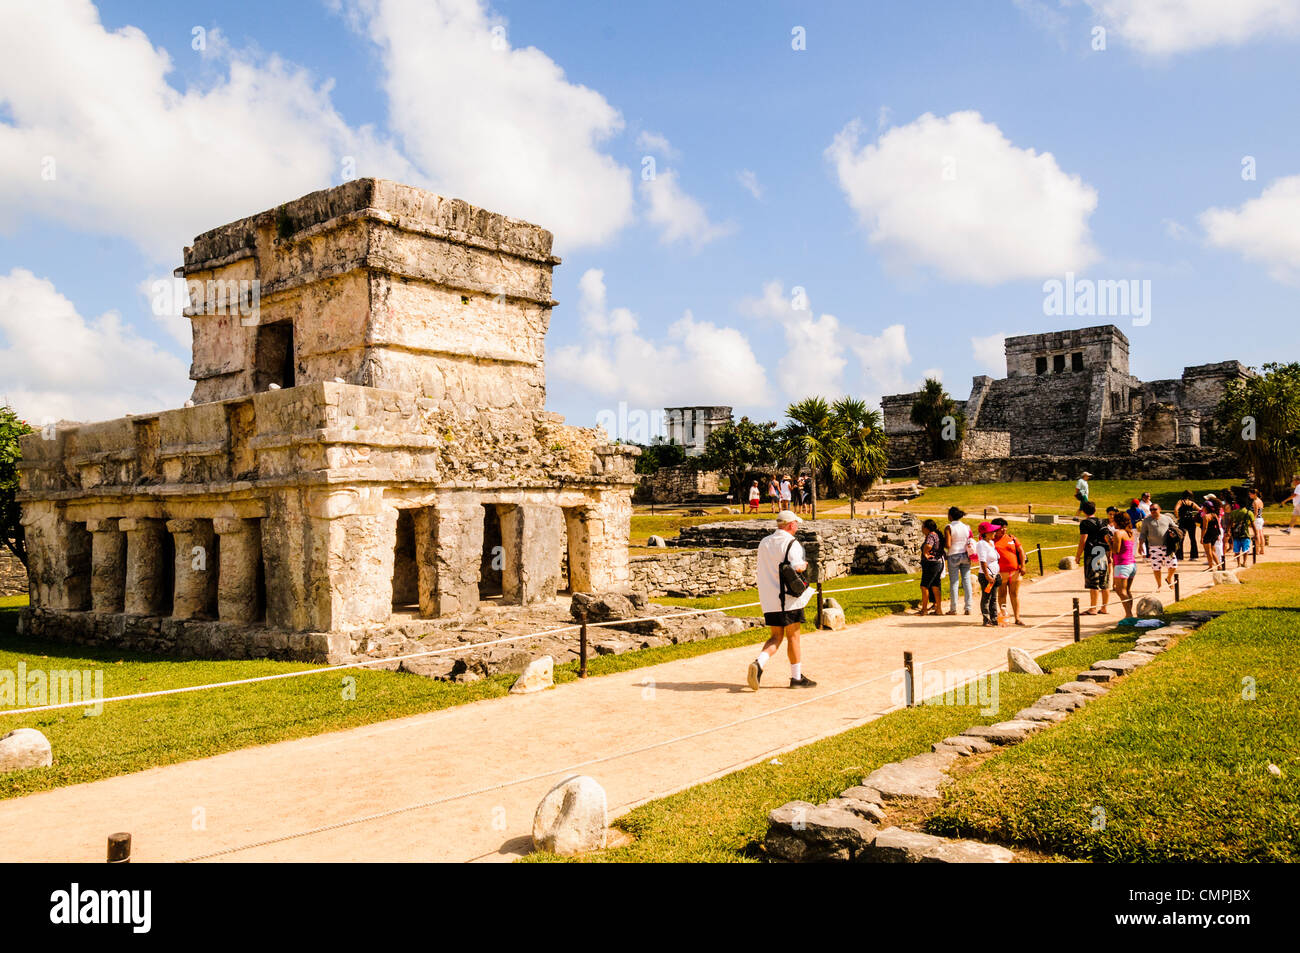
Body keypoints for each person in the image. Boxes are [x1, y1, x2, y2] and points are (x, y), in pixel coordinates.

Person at [747, 510, 817, 690]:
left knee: (776, 636)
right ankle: (796, 678)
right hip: (788, 598)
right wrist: (803, 566)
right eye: (796, 524)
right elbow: (795, 567)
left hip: (769, 598)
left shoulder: (764, 542)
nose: (797, 527)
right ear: (791, 525)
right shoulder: (791, 543)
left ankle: (759, 663)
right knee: (793, 636)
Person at [1076, 500, 1112, 615]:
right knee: (1104, 581)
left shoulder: (1085, 523)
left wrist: (1078, 556)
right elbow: (1108, 537)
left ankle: (1093, 608)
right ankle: (1104, 607)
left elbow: (1083, 540)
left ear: (1084, 512)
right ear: (1095, 510)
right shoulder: (1102, 521)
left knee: (1094, 582)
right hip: (1103, 553)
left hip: (1092, 554)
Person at [992, 517, 1027, 626]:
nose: (1004, 530)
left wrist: (1023, 566)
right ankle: (1004, 617)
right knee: (1002, 595)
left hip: (1015, 572)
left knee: (1014, 594)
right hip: (1000, 573)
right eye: (1001, 528)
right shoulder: (991, 541)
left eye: (1005, 527)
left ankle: (1017, 618)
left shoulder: (1012, 538)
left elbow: (1021, 552)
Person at [943, 506, 974, 616]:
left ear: (950, 516)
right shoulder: (966, 527)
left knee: (954, 582)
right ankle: (968, 607)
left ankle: (953, 608)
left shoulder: (949, 527)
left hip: (953, 555)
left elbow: (948, 544)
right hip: (965, 555)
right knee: (966, 581)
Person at [1139, 502, 1178, 590]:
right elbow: (1143, 534)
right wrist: (1140, 545)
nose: (1152, 511)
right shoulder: (1146, 520)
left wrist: (1173, 533)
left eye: (1155, 509)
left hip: (1168, 546)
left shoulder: (1167, 518)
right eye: (1151, 509)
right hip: (1154, 547)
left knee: (1173, 565)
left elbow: (1175, 528)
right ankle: (1159, 585)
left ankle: (1168, 578)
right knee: (1156, 567)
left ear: (1160, 509)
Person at [1110, 510, 1137, 617]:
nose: (1113, 523)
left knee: (1120, 591)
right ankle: (1129, 614)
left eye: (1114, 521)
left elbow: (1115, 550)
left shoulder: (1118, 533)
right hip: (1132, 564)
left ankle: (1129, 615)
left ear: (1118, 521)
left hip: (1122, 565)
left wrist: (1109, 541)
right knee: (1127, 591)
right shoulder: (1130, 533)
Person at [974, 522, 1002, 626]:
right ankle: (986, 618)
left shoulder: (991, 543)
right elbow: (982, 560)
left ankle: (994, 618)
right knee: (986, 597)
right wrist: (987, 575)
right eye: (992, 531)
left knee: (994, 598)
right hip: (987, 576)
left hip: (994, 574)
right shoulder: (981, 544)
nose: (995, 532)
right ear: (986, 533)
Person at [918, 519, 945, 615]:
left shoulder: (930, 535)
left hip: (931, 564)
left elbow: (929, 546)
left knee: (924, 586)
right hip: (938, 563)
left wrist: (925, 553)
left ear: (926, 528)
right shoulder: (937, 535)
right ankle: (939, 609)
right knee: (935, 586)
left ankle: (924, 610)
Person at [1175, 491, 1200, 561]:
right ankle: (1194, 556)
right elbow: (1200, 510)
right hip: (1191, 521)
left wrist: (1178, 517)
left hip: (1183, 521)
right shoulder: (1192, 503)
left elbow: (1176, 509)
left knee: (1181, 539)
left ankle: (1179, 556)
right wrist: (1195, 516)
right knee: (1192, 538)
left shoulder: (1181, 502)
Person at [1228, 501, 1254, 568]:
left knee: (1237, 551)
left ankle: (1238, 564)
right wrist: (1256, 534)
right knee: (1245, 550)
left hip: (1236, 534)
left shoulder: (1234, 512)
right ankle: (1244, 562)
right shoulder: (1249, 513)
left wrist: (1227, 531)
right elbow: (1253, 525)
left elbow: (1230, 523)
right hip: (1245, 534)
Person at [1201, 495, 1223, 571]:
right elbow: (1217, 525)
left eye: (1203, 507)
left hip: (1208, 534)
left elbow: (1204, 528)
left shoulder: (1206, 516)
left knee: (1208, 551)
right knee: (1213, 551)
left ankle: (1211, 566)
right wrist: (1218, 534)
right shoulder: (1214, 515)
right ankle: (1219, 565)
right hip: (1214, 533)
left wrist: (1202, 537)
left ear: (1206, 508)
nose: (1202, 508)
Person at [1248, 487, 1265, 554]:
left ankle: (1257, 550)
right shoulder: (1260, 500)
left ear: (1254, 494)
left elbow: (1255, 513)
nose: (1249, 496)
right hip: (1260, 519)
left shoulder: (1255, 502)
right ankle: (1262, 550)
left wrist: (1252, 521)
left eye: (1250, 494)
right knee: (1261, 534)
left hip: (1257, 519)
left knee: (1257, 534)